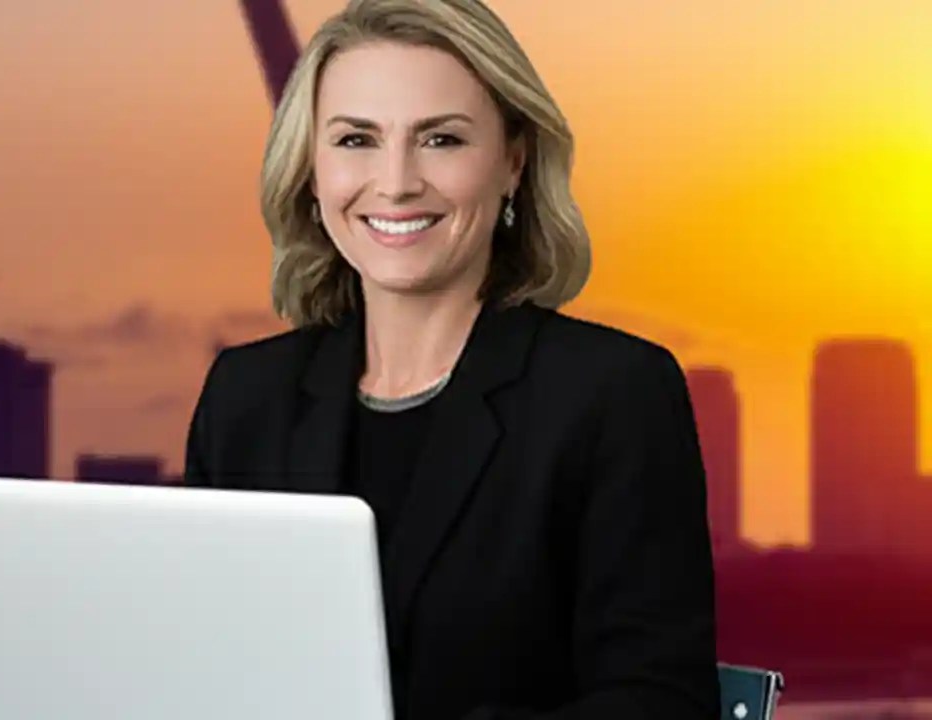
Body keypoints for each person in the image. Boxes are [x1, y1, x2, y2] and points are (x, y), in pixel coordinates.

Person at [184, 0, 720, 718]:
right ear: (311, 171)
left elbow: (660, 701)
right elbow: (198, 667)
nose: (397, 181)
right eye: (355, 140)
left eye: (440, 140)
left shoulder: (614, 395)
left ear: (513, 162)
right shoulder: (245, 398)